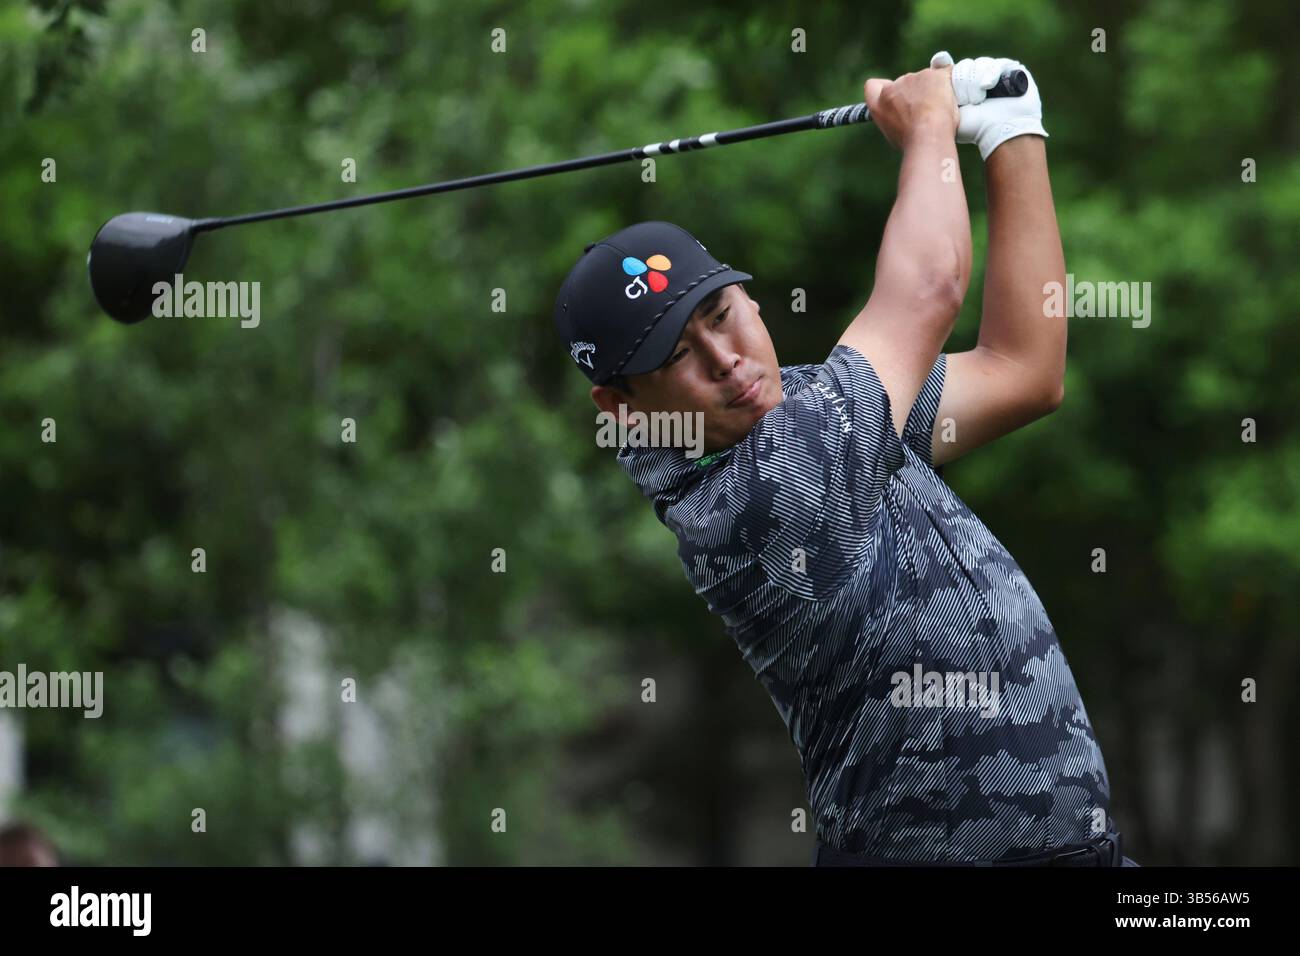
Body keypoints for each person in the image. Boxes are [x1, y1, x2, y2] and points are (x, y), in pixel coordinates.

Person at [554, 53, 1136, 866]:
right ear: (624, 410)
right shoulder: (761, 488)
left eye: (723, 313)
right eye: (678, 354)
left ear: (749, 298)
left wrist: (1011, 131)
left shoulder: (815, 407)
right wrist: (928, 123)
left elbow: (1023, 371)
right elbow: (929, 289)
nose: (726, 357)